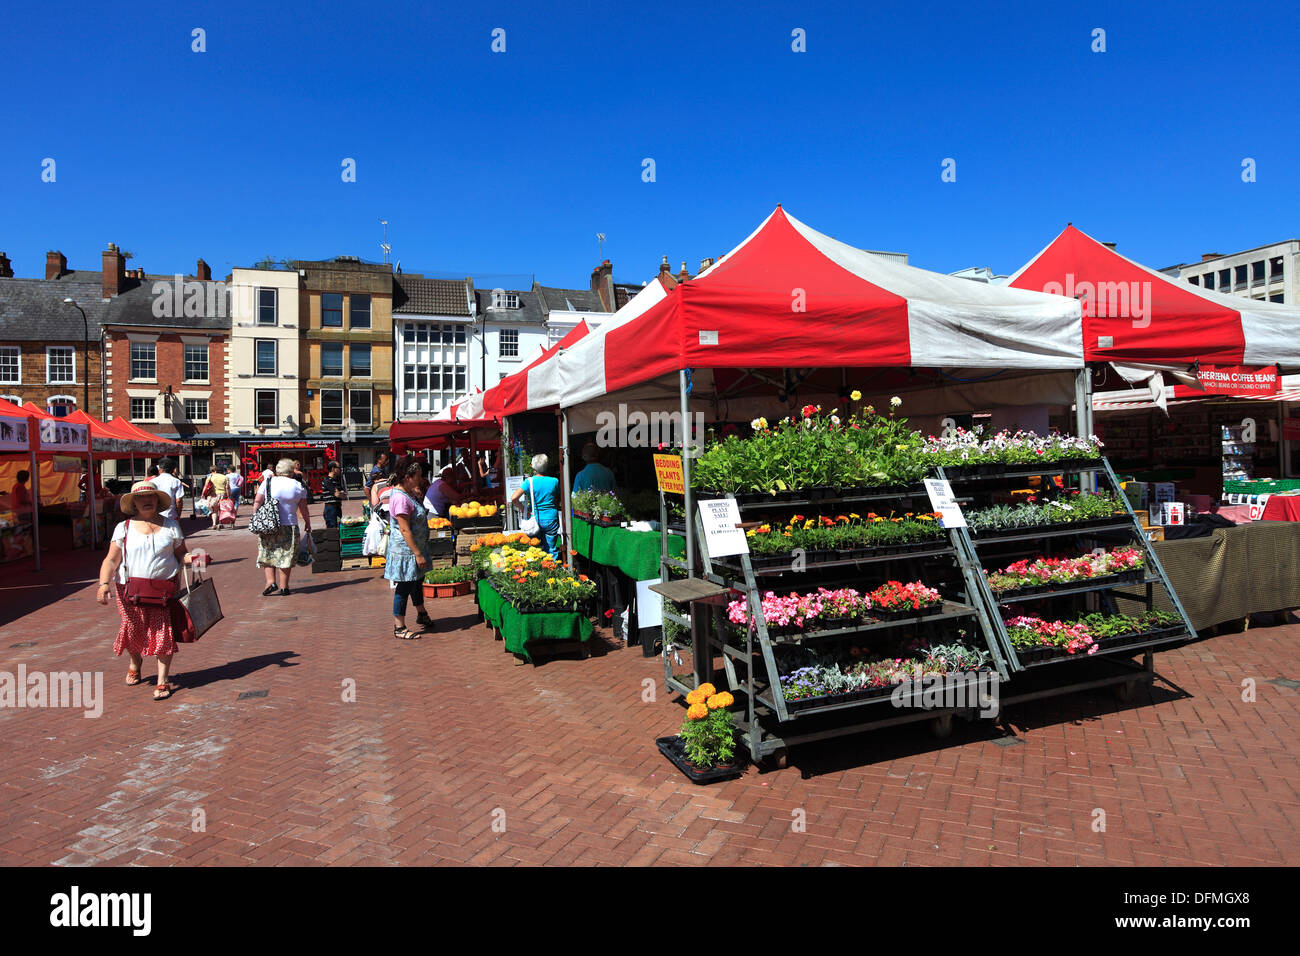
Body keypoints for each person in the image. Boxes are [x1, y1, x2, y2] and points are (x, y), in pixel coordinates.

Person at [95, 480, 201, 701]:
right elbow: (111, 559)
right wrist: (103, 584)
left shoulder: (171, 525)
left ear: (157, 500)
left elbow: (182, 553)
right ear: (133, 503)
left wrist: (192, 558)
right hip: (129, 590)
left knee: (163, 633)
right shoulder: (123, 527)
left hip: (164, 590)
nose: (146, 501)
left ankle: (163, 680)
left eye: (150, 497)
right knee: (133, 629)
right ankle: (135, 661)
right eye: (141, 498)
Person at [384, 456, 435, 640]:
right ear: (408, 477)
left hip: (414, 549)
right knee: (404, 586)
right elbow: (404, 529)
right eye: (418, 476)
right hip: (406, 552)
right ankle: (399, 626)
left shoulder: (408, 494)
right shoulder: (400, 498)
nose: (421, 479)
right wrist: (417, 553)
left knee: (416, 581)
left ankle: (421, 613)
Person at [253, 457, 312, 596]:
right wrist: (308, 523)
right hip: (289, 525)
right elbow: (304, 508)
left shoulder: (267, 482)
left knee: (268, 551)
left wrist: (255, 516)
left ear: (278, 470)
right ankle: (284, 586)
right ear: (292, 471)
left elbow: (257, 500)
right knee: (286, 555)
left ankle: (270, 582)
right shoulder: (298, 486)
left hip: (268, 524)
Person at [510, 454, 562, 560]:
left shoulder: (529, 482)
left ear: (533, 467)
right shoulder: (554, 481)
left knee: (534, 549)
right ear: (547, 466)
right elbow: (558, 498)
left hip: (535, 518)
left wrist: (524, 509)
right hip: (551, 518)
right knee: (551, 549)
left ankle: (537, 572)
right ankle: (552, 570)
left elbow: (514, 498)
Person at [202, 464, 230, 530]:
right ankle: (220, 523)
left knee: (214, 510)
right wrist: (229, 495)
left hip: (213, 495)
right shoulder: (225, 477)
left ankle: (214, 524)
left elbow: (206, 486)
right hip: (223, 494)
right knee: (221, 510)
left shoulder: (210, 477)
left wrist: (203, 494)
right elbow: (227, 487)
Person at [321, 461, 346, 528]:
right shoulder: (327, 481)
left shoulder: (336, 481)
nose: (340, 469)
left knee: (338, 527)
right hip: (330, 509)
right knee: (332, 530)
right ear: (333, 469)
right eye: (339, 468)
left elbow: (344, 495)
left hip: (338, 508)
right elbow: (337, 494)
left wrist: (339, 493)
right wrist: (339, 493)